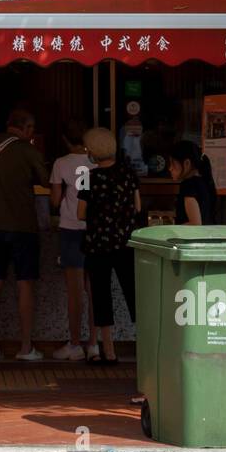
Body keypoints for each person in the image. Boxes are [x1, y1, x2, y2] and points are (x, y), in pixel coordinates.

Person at [0, 108, 50, 362]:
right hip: (23, 226)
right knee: (25, 284)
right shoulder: (29, 151)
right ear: (26, 129)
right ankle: (25, 347)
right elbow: (46, 182)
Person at [77, 126, 141, 366]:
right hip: (125, 242)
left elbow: (80, 213)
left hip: (97, 244)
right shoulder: (128, 173)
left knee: (101, 296)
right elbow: (137, 207)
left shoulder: (87, 176)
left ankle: (109, 350)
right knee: (133, 293)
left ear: (92, 150)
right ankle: (143, 343)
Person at [49, 121, 97, 362]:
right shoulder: (96, 161)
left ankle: (75, 343)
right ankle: (95, 343)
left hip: (70, 229)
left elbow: (56, 201)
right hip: (94, 229)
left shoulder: (61, 163)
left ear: (66, 140)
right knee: (94, 289)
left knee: (75, 292)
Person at [169, 139, 218, 225]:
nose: (170, 168)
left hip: (191, 237)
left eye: (173, 164)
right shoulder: (204, 181)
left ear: (187, 163)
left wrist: (171, 229)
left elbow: (195, 224)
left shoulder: (188, 186)